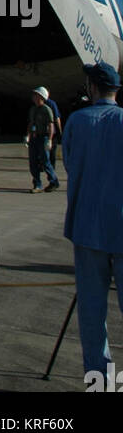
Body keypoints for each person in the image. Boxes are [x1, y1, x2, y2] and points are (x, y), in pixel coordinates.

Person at [62, 61, 123, 378]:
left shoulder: (77, 121)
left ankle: (100, 377)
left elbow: (71, 166)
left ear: (93, 87)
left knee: (92, 310)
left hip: (87, 227)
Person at [25, 87, 60, 192]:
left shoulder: (46, 109)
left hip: (43, 137)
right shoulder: (33, 109)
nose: (33, 97)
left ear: (41, 96)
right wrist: (28, 135)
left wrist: (49, 139)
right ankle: (37, 184)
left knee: (45, 161)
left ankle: (53, 181)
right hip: (34, 138)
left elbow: (51, 125)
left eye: (35, 95)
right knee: (33, 162)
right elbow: (31, 123)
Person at [36, 85, 63, 170]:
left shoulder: (42, 104)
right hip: (50, 131)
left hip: (45, 131)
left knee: (43, 150)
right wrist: (60, 131)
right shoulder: (51, 103)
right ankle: (51, 166)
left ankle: (43, 166)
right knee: (51, 151)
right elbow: (57, 118)